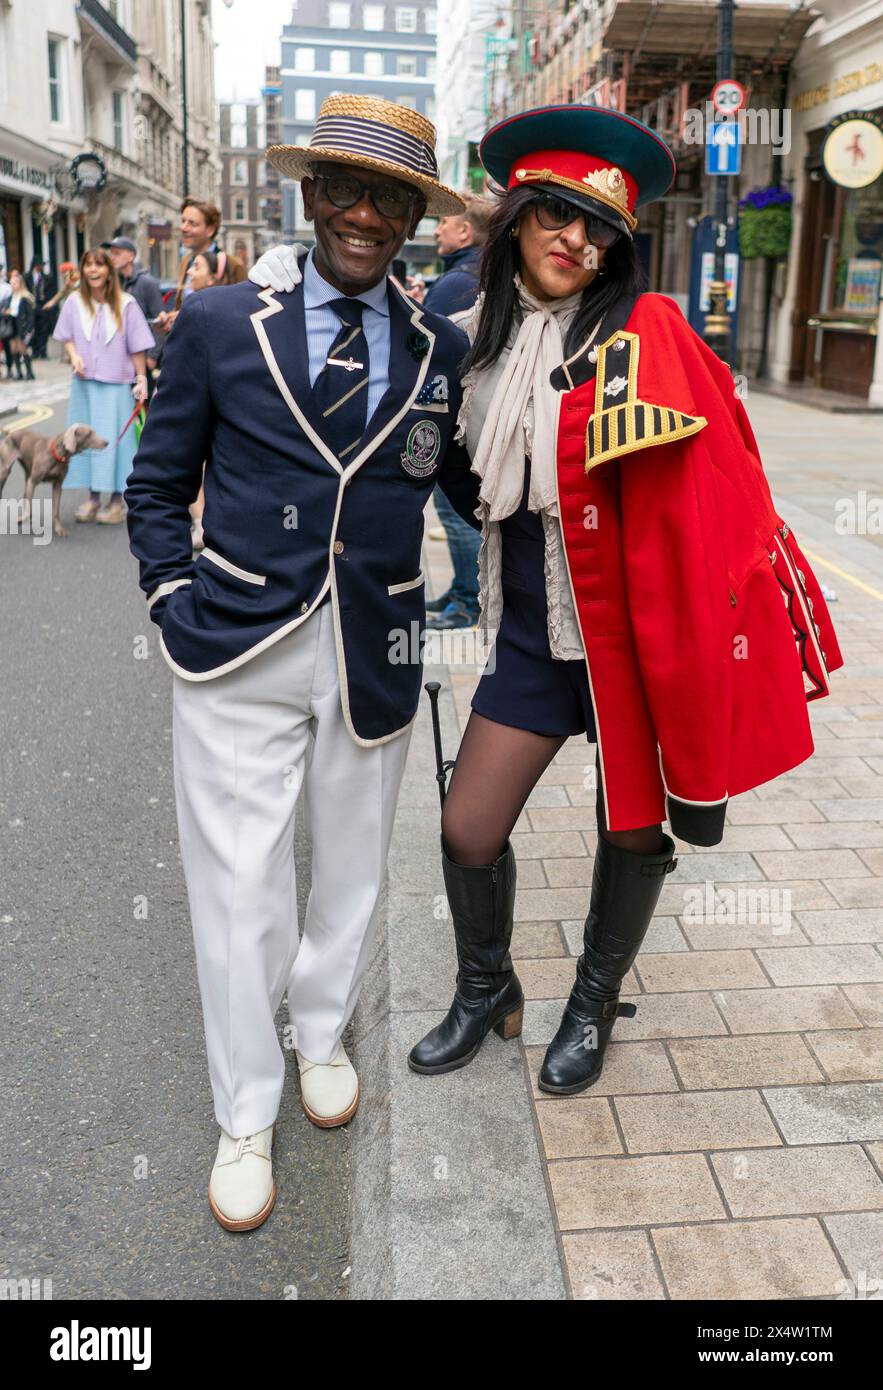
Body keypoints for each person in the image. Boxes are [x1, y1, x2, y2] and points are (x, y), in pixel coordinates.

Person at [252, 102, 844, 1100]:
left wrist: (725, 628)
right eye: (558, 214)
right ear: (517, 217)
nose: (577, 239)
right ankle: (488, 986)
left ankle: (591, 998)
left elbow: (721, 488)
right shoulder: (468, 339)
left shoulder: (647, 332)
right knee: (466, 825)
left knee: (629, 829)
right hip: (527, 632)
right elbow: (435, 464)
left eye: (599, 227)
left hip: (626, 643)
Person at [124, 95, 480, 1233]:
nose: (364, 214)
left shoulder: (441, 348)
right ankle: (245, 1105)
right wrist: (172, 598)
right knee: (239, 889)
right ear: (309, 193)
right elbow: (152, 478)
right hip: (236, 644)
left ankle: (320, 1031)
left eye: (391, 197)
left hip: (374, 651)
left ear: (418, 214)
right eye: (344, 189)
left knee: (354, 873)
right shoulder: (222, 321)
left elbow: (476, 487)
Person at [423, 196, 495, 632]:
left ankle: (469, 600)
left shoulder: (455, 282)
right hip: (478, 414)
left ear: (465, 232)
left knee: (455, 511)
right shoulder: (484, 274)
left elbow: (423, 345)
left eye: (444, 223)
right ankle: (461, 589)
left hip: (452, 416)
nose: (435, 230)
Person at [53, 248, 153, 524]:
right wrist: (74, 356)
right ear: (82, 271)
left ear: (109, 270)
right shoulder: (74, 302)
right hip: (84, 385)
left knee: (118, 443)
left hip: (117, 384)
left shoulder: (127, 303)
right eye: (88, 265)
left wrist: (141, 378)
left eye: (99, 265)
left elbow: (137, 347)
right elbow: (67, 336)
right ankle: (93, 498)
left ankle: (117, 501)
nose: (93, 270)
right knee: (83, 442)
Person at [180, 248, 248, 549]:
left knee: (193, 455)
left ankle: (202, 523)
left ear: (214, 276)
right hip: (217, 393)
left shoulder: (203, 307)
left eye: (196, 266)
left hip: (203, 393)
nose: (190, 272)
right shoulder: (235, 307)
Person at [153, 198, 222, 339]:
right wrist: (170, 317)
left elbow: (237, 313)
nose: (183, 228)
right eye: (183, 221)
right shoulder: (186, 261)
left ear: (209, 230)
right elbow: (184, 307)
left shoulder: (229, 264)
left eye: (192, 223)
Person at [107, 237, 164, 377]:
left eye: (117, 253)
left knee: (142, 397)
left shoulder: (147, 283)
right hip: (121, 357)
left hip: (143, 357)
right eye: (111, 253)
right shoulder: (113, 282)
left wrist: (152, 356)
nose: (112, 257)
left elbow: (160, 321)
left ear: (131, 257)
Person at [6, 270, 36, 380]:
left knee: (23, 349)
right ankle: (19, 372)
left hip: (22, 326)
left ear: (20, 284)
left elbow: (31, 315)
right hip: (12, 325)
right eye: (11, 283)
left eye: (15, 283)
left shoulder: (25, 297)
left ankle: (29, 372)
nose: (13, 285)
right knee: (14, 350)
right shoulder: (10, 297)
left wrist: (29, 328)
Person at [25, 255, 56, 358]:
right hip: (31, 307)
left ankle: (43, 351)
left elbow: (51, 293)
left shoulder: (47, 278)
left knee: (44, 330)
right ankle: (35, 351)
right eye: (40, 265)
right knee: (34, 330)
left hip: (43, 307)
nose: (41, 267)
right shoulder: (27, 277)